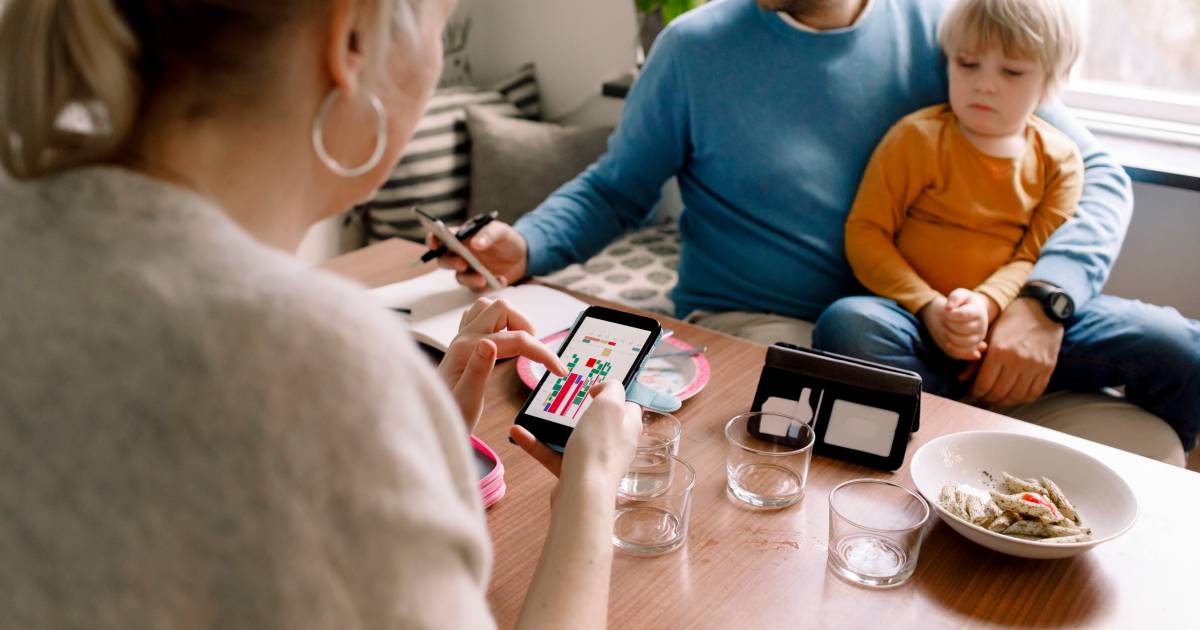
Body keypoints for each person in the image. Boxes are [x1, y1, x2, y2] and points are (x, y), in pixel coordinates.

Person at [0, 1, 640, 628]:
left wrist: (417, 433)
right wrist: (591, 490)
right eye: (440, 26)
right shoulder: (317, 365)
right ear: (351, 41)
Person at [437, 0, 1199, 454]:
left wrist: (1041, 303)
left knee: (1169, 374)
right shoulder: (695, 49)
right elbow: (614, 191)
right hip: (764, 325)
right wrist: (527, 243)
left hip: (946, 323)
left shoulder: (947, 34)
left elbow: (1092, 174)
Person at [844, 0, 1082, 368]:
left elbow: (1034, 257)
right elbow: (865, 233)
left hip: (1012, 320)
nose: (985, 85)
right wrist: (929, 305)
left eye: (1012, 72)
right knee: (849, 324)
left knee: (1167, 341)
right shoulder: (915, 139)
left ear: (1052, 78)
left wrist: (986, 305)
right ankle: (930, 393)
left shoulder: (1060, 161)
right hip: (912, 317)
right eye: (967, 64)